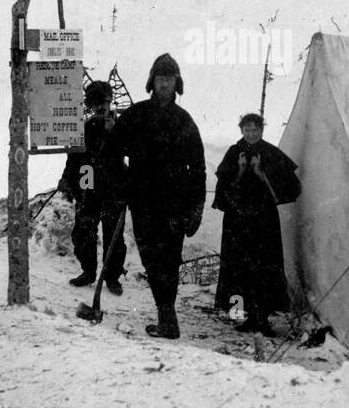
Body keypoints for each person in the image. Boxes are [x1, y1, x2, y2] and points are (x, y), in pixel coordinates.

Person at [103, 53, 206, 339]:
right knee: (151, 258)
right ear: (152, 82)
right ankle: (166, 315)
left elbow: (198, 168)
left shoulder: (185, 121)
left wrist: (195, 208)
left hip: (175, 203)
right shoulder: (135, 116)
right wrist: (123, 184)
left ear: (177, 83)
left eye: (170, 80)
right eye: (161, 79)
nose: (165, 84)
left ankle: (167, 317)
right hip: (143, 201)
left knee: (169, 260)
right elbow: (110, 155)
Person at [212, 113, 300, 335]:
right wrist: (241, 171)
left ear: (262, 130)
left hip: (263, 221)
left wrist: (262, 174)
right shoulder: (234, 152)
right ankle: (241, 314)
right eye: (247, 130)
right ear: (241, 131)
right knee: (238, 267)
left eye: (255, 130)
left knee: (264, 267)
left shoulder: (270, 153)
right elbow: (223, 189)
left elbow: (292, 187)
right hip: (238, 221)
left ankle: (262, 318)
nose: (251, 134)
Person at [58, 80, 127, 293]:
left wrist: (114, 132)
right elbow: (73, 158)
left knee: (114, 237)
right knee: (83, 232)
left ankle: (112, 278)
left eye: (104, 103)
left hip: (113, 189)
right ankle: (88, 272)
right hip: (88, 186)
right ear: (90, 105)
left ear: (110, 102)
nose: (100, 108)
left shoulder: (121, 127)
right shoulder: (84, 128)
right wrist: (66, 182)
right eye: (96, 104)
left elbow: (132, 152)